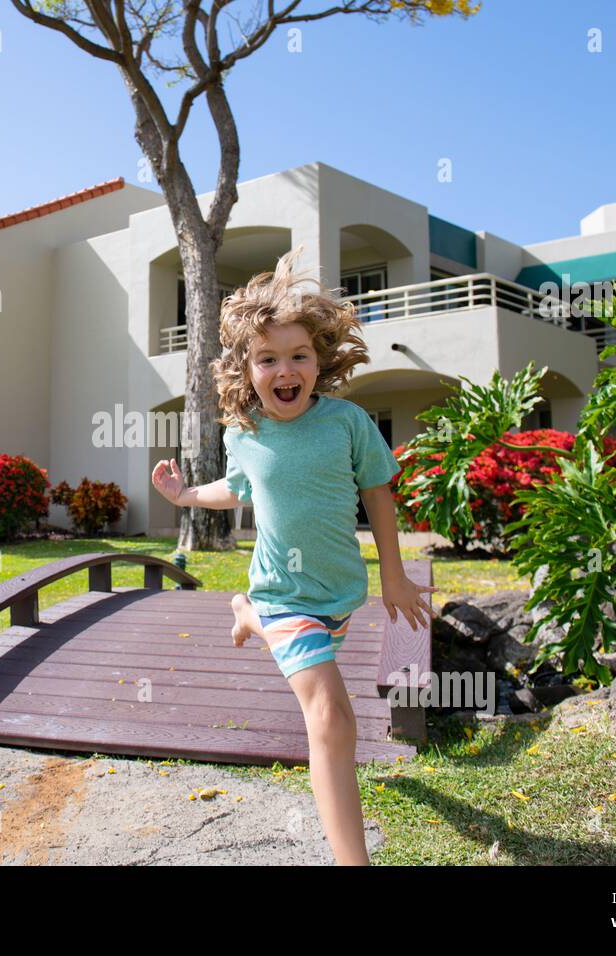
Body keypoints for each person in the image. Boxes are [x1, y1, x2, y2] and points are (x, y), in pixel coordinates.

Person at [150, 246, 437, 866]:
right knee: (331, 714)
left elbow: (378, 493)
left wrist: (394, 576)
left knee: (318, 680)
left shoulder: (349, 422)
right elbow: (238, 489)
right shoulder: (246, 433)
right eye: (268, 358)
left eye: (298, 356)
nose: (285, 369)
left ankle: (244, 614)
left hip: (337, 597)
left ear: (318, 362)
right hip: (285, 596)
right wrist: (187, 494)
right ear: (247, 369)